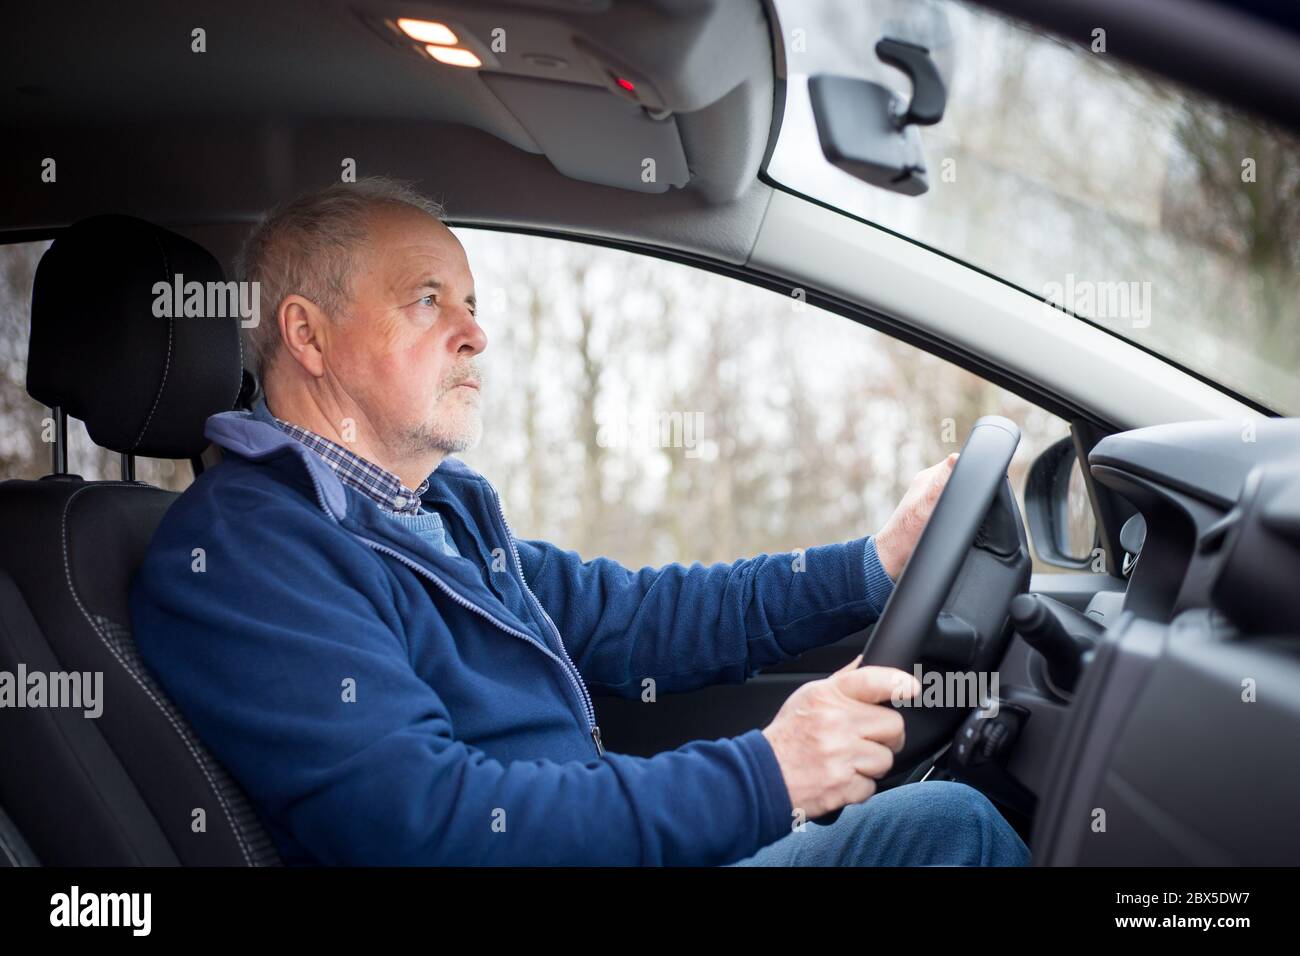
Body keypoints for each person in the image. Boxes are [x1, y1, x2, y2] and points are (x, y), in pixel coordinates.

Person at [131, 177, 1029, 867]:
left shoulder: (430, 513)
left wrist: (876, 562)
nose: (475, 333)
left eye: (473, 304)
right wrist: (768, 774)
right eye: (427, 299)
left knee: (956, 808)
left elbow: (637, 617)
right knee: (951, 832)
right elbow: (426, 824)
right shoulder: (243, 551)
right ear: (309, 335)